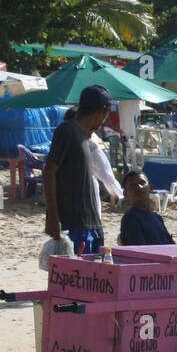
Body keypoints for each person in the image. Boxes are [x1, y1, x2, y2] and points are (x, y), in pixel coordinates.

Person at [44, 84, 111, 256]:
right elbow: (49, 170)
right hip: (73, 224)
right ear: (102, 111)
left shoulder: (86, 137)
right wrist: (52, 216)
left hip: (92, 224)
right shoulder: (67, 130)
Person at [118, 171, 174, 246]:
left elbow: (172, 245)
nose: (138, 187)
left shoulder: (157, 218)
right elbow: (140, 251)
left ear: (150, 188)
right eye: (132, 185)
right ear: (125, 194)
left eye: (142, 183)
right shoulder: (130, 218)